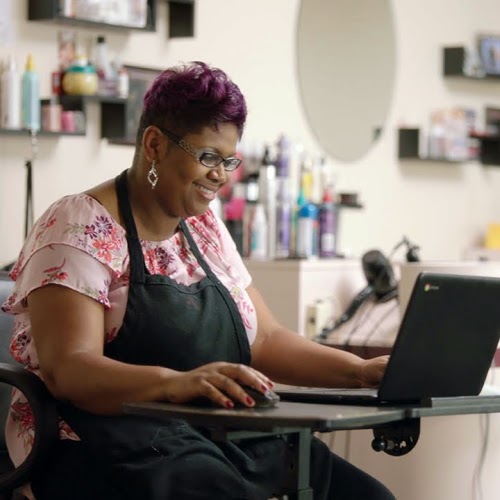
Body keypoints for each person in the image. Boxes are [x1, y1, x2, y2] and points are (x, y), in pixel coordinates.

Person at [1, 61, 395, 500]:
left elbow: (263, 338)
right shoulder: (79, 224)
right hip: (99, 442)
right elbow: (68, 369)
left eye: (229, 160)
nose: (221, 175)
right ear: (154, 144)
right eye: (208, 156)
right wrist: (175, 384)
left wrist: (362, 372)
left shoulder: (204, 226)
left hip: (209, 436)